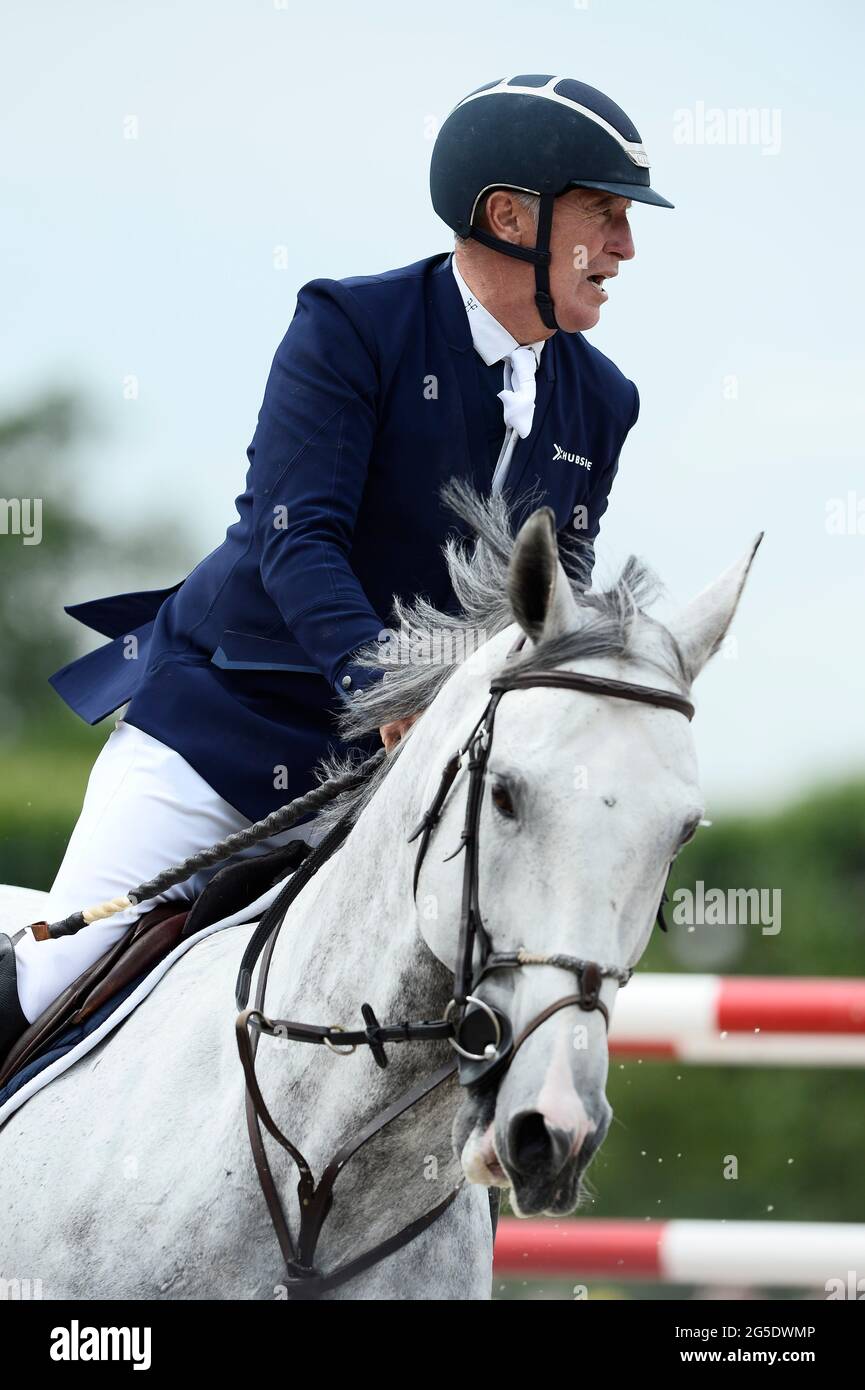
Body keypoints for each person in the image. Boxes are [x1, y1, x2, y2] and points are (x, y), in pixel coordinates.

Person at [0, 74, 673, 1060]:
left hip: (396, 792)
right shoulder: (353, 329)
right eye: (604, 215)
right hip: (229, 732)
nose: (623, 247)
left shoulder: (601, 401)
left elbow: (546, 608)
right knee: (65, 972)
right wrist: (388, 689)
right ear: (507, 216)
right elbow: (296, 541)